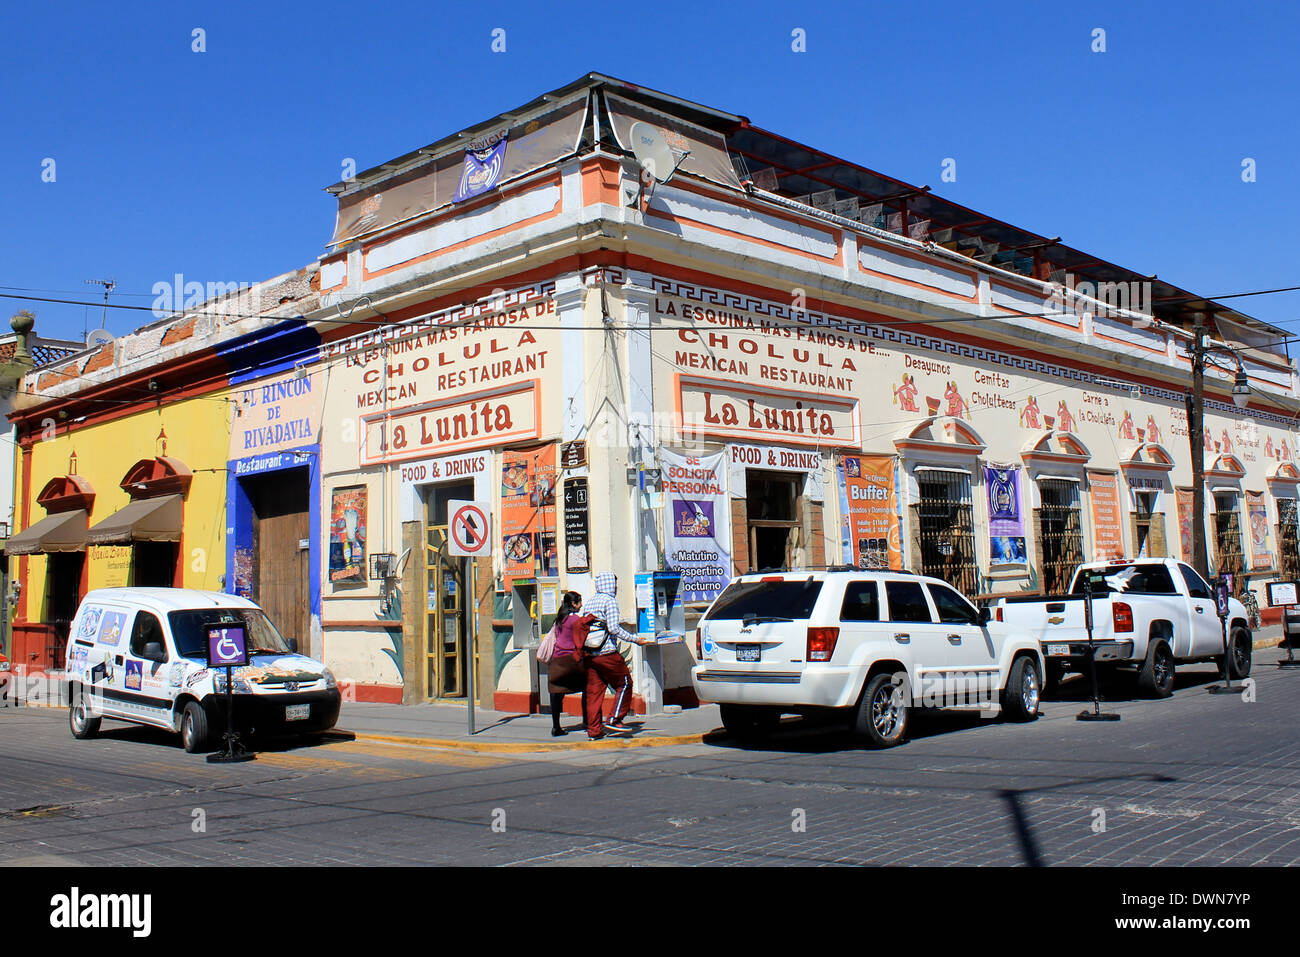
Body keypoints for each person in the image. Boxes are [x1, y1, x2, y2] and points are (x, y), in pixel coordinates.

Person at [582, 573, 642, 739]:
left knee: (594, 693)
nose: (616, 588)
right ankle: (615, 719)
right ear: (609, 585)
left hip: (590, 655)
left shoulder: (590, 602)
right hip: (607, 653)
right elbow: (614, 628)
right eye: (615, 584)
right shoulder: (610, 601)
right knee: (624, 683)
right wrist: (635, 639)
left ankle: (594, 731)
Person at [546, 591, 588, 737]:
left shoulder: (559, 619)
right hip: (572, 661)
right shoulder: (575, 619)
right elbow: (583, 637)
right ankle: (587, 721)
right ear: (573, 604)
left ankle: (556, 726)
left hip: (557, 661)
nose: (581, 605)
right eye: (579, 602)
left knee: (556, 693)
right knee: (587, 687)